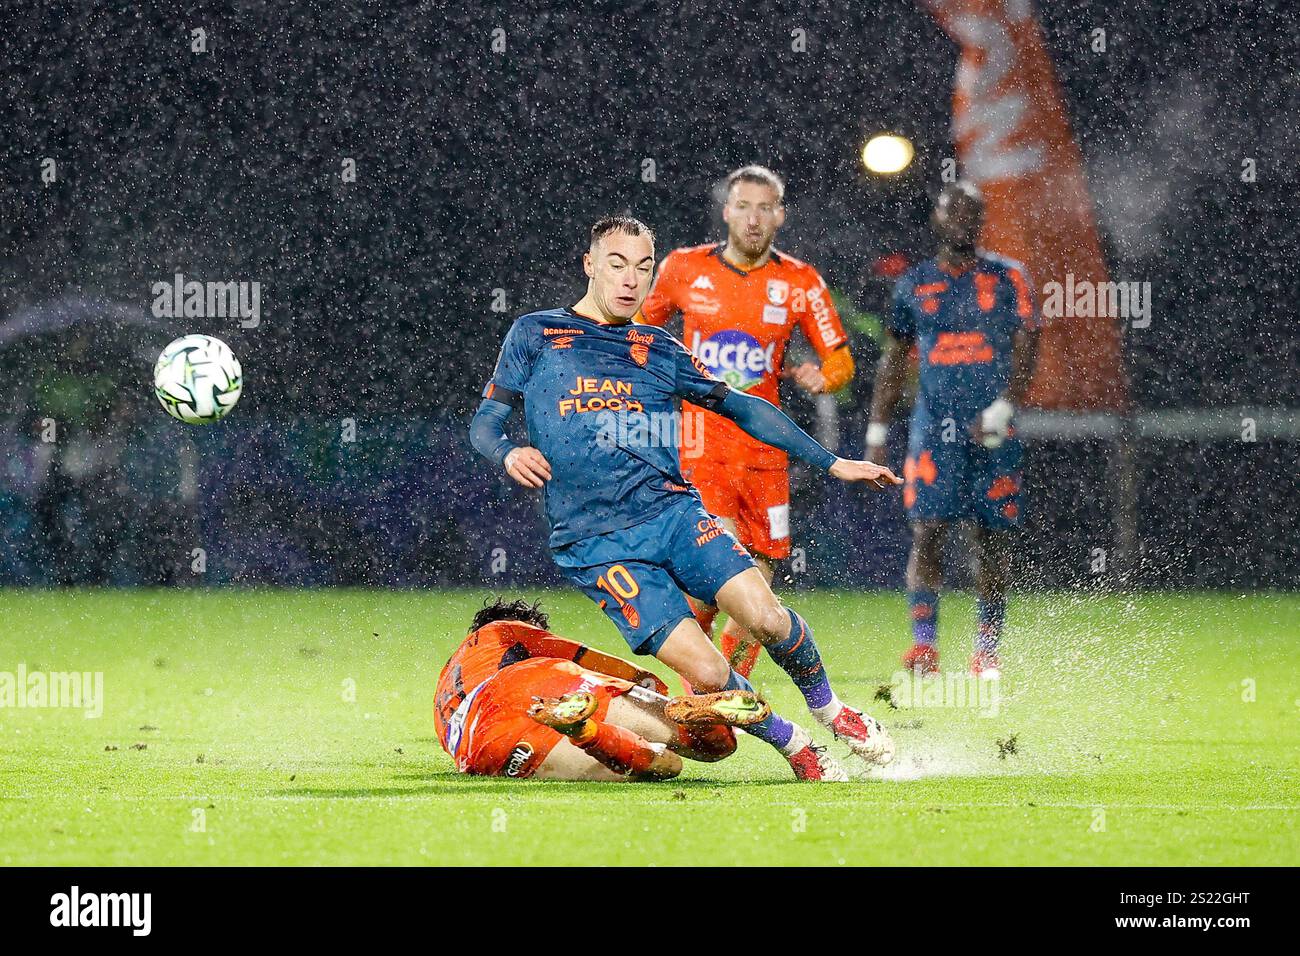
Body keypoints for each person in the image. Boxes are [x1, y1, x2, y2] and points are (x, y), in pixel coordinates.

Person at [470, 215, 901, 781]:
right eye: (617, 264)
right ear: (590, 265)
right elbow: (485, 423)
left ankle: (831, 711)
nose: (631, 280)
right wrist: (506, 452)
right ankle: (795, 744)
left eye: (644, 267)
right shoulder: (536, 334)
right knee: (709, 671)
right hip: (597, 545)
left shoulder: (657, 346)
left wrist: (832, 460)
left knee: (767, 618)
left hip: (672, 515)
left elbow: (744, 407)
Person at [637, 165, 855, 676]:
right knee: (718, 561)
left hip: (763, 447)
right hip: (700, 442)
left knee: (762, 574)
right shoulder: (683, 269)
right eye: (743, 207)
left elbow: (840, 357)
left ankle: (726, 688)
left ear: (780, 215)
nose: (753, 219)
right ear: (726, 212)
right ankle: (701, 690)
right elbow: (639, 331)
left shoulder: (799, 282)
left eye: (764, 208)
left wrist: (828, 378)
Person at [866, 182, 1040, 679]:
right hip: (932, 430)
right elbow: (893, 358)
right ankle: (925, 646)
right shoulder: (914, 283)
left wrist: (1007, 405)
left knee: (991, 538)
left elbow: (1030, 340)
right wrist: (878, 431)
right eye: (953, 212)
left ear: (981, 222)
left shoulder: (1008, 278)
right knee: (929, 532)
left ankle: (987, 649)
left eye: (972, 213)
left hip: (992, 430)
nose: (962, 220)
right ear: (937, 220)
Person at [434, 597, 770, 781]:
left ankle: (585, 730)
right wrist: (644, 682)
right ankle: (694, 711)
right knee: (715, 747)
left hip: (489, 747)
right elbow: (583, 656)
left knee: (667, 766)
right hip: (533, 683)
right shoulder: (498, 629)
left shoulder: (443, 693)